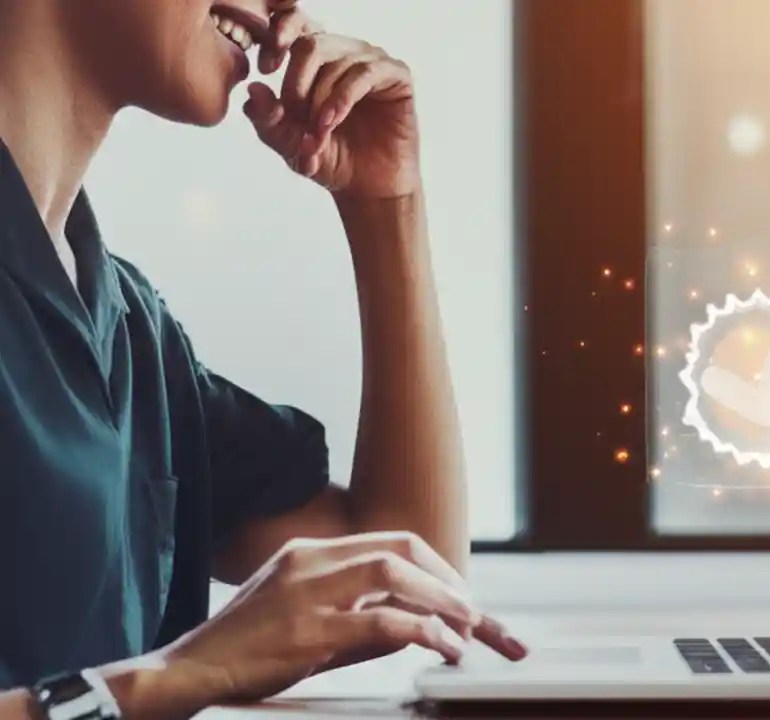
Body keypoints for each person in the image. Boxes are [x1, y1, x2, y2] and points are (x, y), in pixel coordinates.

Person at [0, 0, 527, 717]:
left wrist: (386, 205)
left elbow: (405, 572)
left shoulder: (127, 327)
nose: (285, 7)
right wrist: (174, 676)